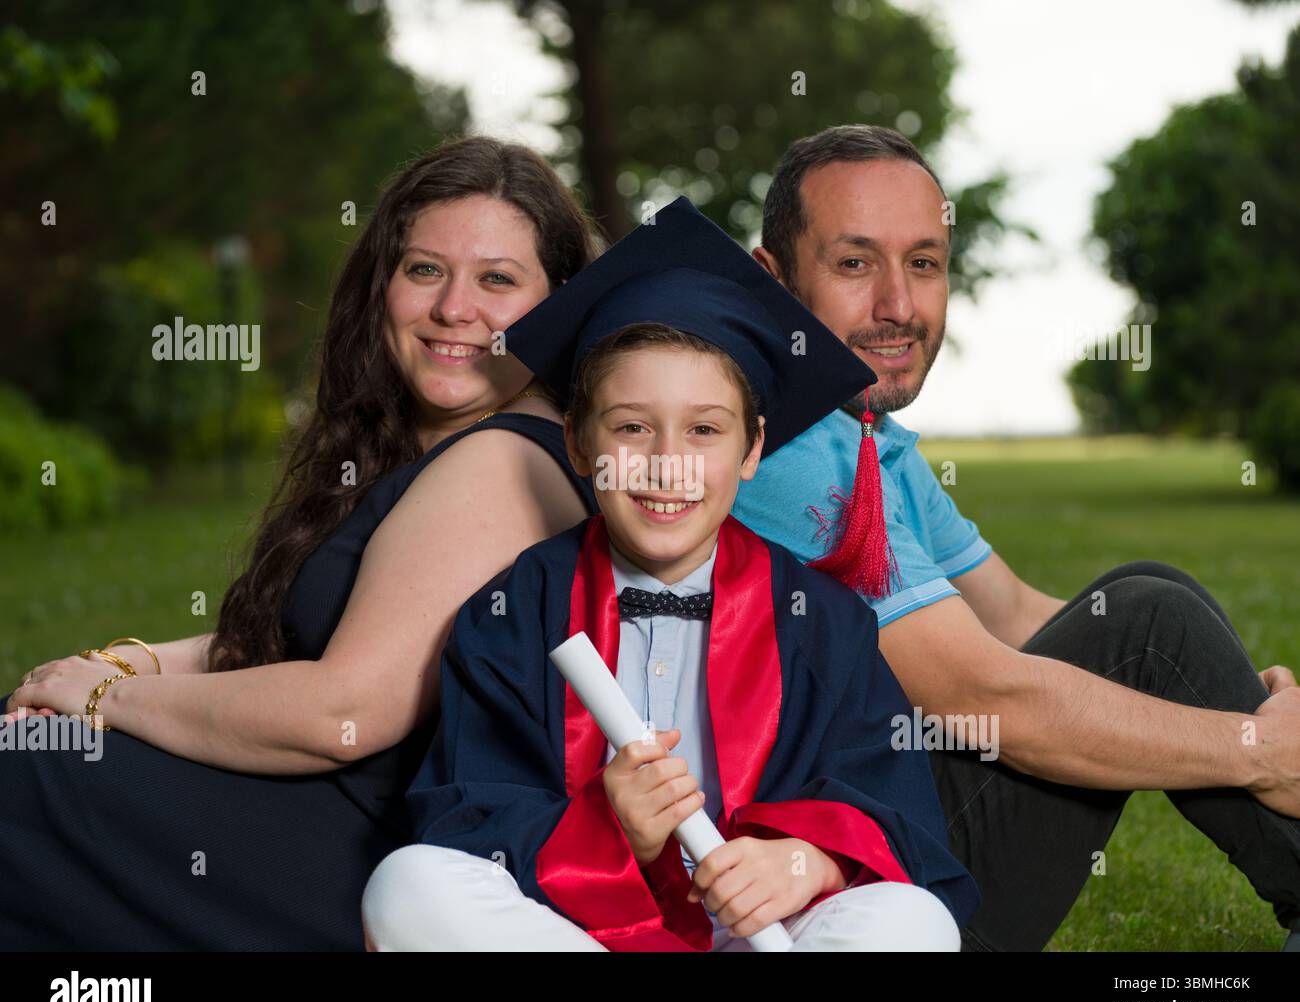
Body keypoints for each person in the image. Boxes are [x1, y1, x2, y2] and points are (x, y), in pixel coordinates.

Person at [0, 136, 601, 951]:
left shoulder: (502, 460)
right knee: (25, 739)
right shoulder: (424, 447)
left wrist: (108, 703)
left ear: (560, 305)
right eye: (426, 269)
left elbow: (342, 712)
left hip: (358, 856)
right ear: (384, 284)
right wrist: (119, 663)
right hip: (304, 811)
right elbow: (284, 642)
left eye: (498, 279)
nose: (455, 308)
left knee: (26, 776)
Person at [730, 123, 1300, 951]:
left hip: (892, 832)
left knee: (1145, 603)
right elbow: (986, 697)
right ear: (772, 280)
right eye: (855, 263)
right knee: (1144, 615)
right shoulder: (777, 452)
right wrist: (1255, 748)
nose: (899, 304)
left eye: (923, 262)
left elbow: (1019, 616)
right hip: (848, 890)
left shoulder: (862, 434)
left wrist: (1230, 694)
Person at [360, 196, 978, 952]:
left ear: (752, 449)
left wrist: (803, 860)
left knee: (913, 924)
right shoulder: (519, 604)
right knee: (410, 884)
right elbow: (462, 812)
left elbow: (889, 811)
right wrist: (604, 822)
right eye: (630, 427)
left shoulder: (821, 618)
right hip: (573, 926)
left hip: (762, 930)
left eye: (705, 430)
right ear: (580, 444)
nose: (667, 464)